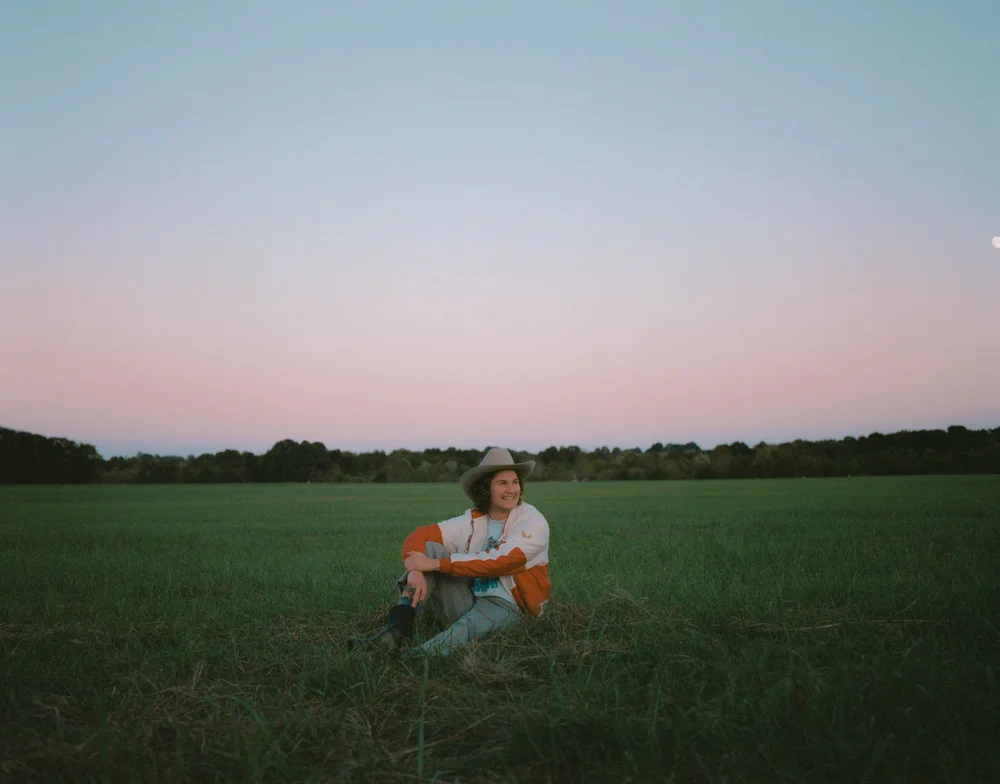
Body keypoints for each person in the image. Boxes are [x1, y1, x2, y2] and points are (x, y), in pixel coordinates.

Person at [349, 447, 551, 655]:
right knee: (428, 549)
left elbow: (504, 560)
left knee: (462, 630)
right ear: (486, 489)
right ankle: (396, 630)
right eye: (502, 483)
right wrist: (416, 571)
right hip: (469, 597)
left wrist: (436, 564)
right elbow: (420, 536)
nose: (512, 489)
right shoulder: (472, 521)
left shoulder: (532, 520)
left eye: (515, 482)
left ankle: (414, 657)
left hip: (510, 606)